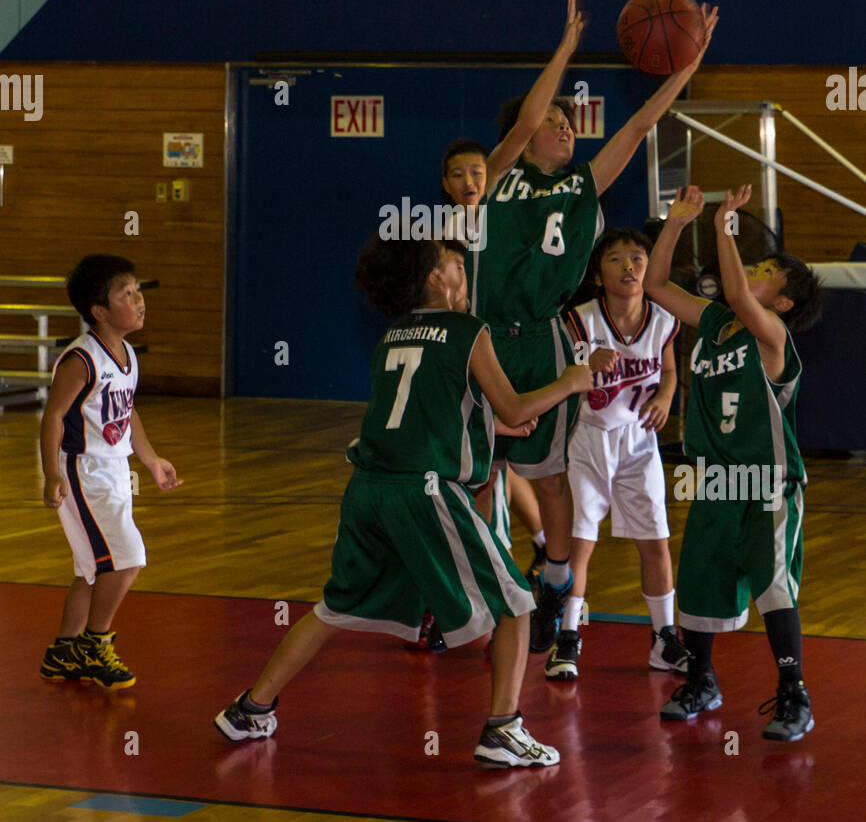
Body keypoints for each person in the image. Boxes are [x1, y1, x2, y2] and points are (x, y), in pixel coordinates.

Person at [214, 235, 616, 767]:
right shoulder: (468, 330)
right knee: (517, 602)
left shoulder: (394, 334)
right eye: (456, 265)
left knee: (335, 609)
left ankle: (251, 707)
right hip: (423, 490)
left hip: (368, 489)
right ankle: (502, 730)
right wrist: (572, 379)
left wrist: (489, 422)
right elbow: (518, 408)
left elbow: (421, 411)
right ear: (434, 277)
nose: (465, 273)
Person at [466, 0, 717, 654]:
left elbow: (637, 128)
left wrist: (687, 67)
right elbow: (521, 125)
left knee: (548, 479)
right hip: (485, 334)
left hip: (543, 337)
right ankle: (478, 589)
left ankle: (551, 584)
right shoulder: (498, 173)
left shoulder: (581, 187)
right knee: (480, 474)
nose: (566, 126)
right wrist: (567, 47)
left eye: (570, 120)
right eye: (555, 118)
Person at [644, 185, 822, 740]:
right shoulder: (715, 321)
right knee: (700, 585)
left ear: (784, 302)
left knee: (773, 586)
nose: (750, 270)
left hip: (769, 483)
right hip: (717, 482)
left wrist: (723, 226)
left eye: (764, 269)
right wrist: (676, 223)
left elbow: (744, 298)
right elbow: (653, 285)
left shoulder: (772, 335)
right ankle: (702, 680)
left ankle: (795, 695)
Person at [545, 228, 688, 681]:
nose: (629, 266)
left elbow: (668, 370)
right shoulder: (581, 319)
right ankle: (566, 639)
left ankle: (665, 639)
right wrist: (586, 365)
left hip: (640, 441)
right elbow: (566, 373)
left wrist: (666, 398)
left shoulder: (664, 319)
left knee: (657, 543)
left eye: (637, 258)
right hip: (589, 438)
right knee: (579, 545)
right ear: (598, 272)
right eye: (617, 259)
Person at [39, 255, 181, 689]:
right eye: (127, 294)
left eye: (138, 292)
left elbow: (127, 410)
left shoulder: (127, 354)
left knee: (92, 568)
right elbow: (53, 416)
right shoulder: (82, 358)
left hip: (114, 469)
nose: (139, 301)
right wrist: (51, 475)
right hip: (83, 471)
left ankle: (64, 652)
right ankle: (94, 643)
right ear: (99, 311)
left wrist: (151, 459)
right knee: (127, 557)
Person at [441, 138, 547, 580]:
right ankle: (532, 549)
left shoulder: (507, 221)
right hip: (464, 351)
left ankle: (492, 576)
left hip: (505, 350)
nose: (470, 181)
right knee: (487, 462)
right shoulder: (443, 232)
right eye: (460, 174)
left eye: (478, 172)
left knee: (493, 463)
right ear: (446, 184)